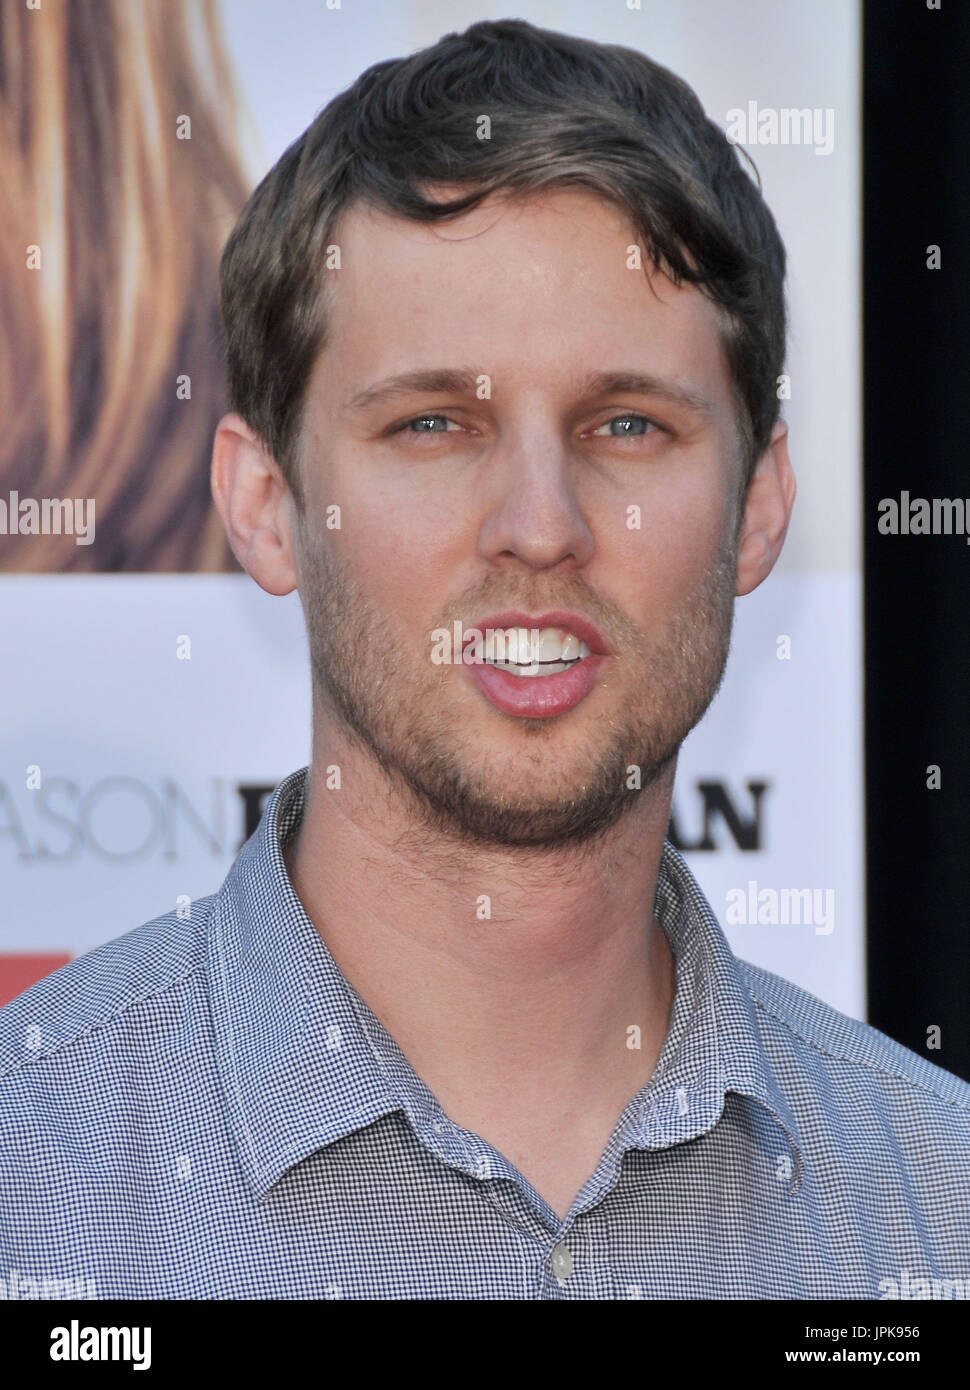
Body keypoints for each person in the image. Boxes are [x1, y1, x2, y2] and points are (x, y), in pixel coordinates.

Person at [2, 18, 968, 1301]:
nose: (540, 526)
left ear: (760, 504)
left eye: (627, 422)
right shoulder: (31, 1176)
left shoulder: (936, 1199)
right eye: (432, 423)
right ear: (263, 502)